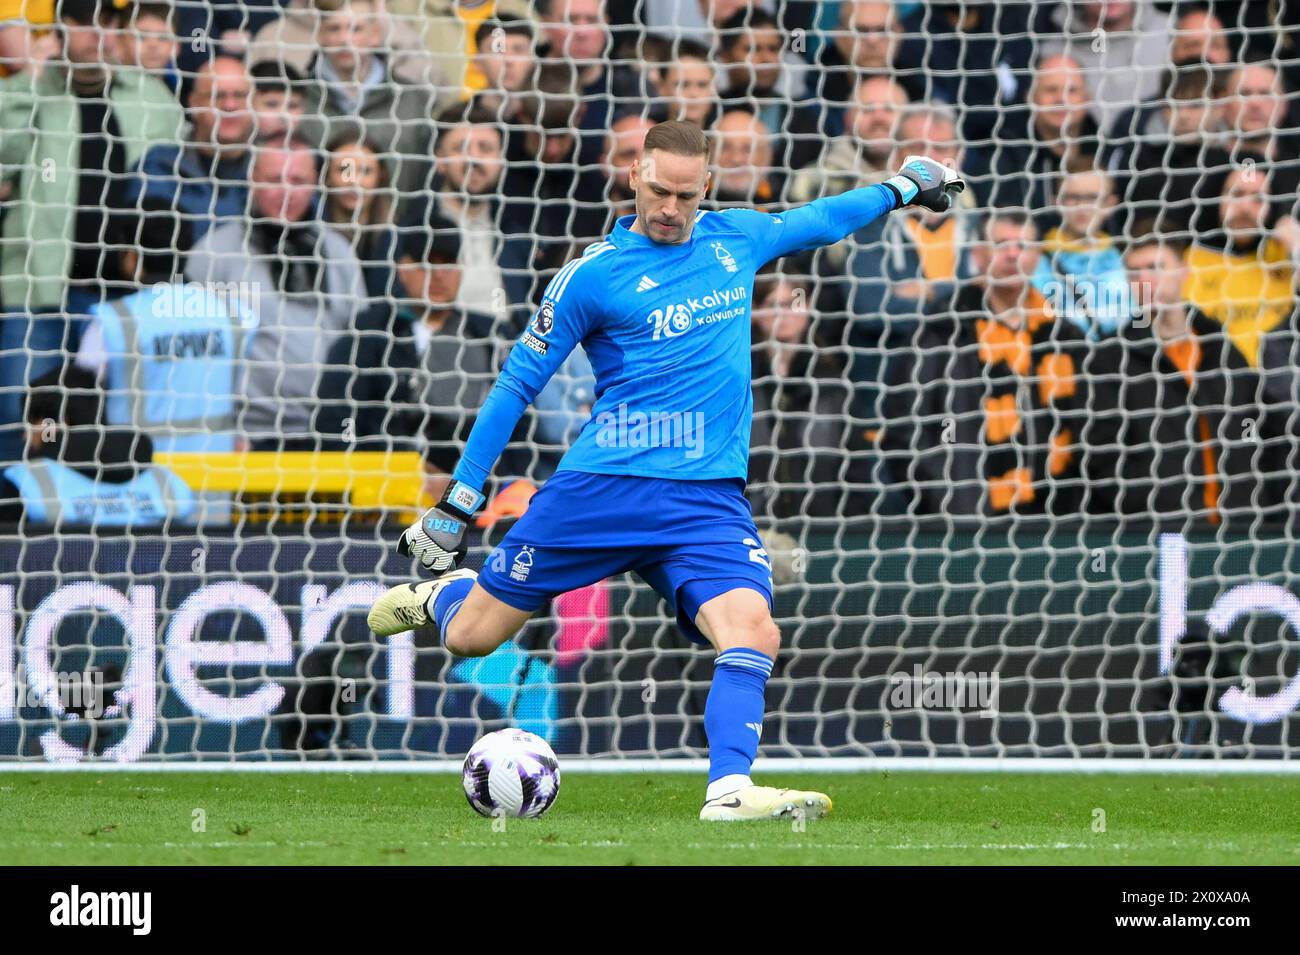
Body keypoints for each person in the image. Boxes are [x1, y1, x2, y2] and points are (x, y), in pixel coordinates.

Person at [367, 119, 966, 820]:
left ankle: (728, 790)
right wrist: (456, 507)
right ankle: (445, 597)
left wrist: (900, 188)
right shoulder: (593, 274)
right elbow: (515, 385)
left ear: (704, 186)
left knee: (754, 628)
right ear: (634, 177)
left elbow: (821, 219)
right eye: (657, 191)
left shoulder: (735, 238)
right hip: (603, 488)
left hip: (706, 500)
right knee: (472, 636)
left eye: (685, 195)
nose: (669, 208)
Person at [880, 211, 1088, 517]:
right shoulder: (942, 331)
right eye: (1002, 244)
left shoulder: (1064, 335)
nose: (1013, 255)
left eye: (1024, 246)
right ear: (978, 254)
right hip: (971, 519)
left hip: (1058, 511)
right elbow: (904, 429)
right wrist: (941, 498)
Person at [1083, 236, 1296, 524]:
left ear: (1184, 272)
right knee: (1174, 571)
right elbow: (1102, 452)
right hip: (1167, 531)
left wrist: (1256, 493)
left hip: (1239, 525)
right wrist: (1149, 501)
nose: (1145, 279)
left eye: (1156, 266)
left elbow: (1260, 426)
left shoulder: (1222, 349)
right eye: (1135, 272)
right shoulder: (1111, 358)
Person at [184, 134, 365, 449]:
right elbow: (194, 354)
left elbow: (358, 345)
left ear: (315, 184)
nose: (286, 192)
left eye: (298, 180)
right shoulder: (214, 253)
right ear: (251, 180)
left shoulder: (339, 253)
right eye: (274, 179)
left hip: (325, 437)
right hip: (242, 439)